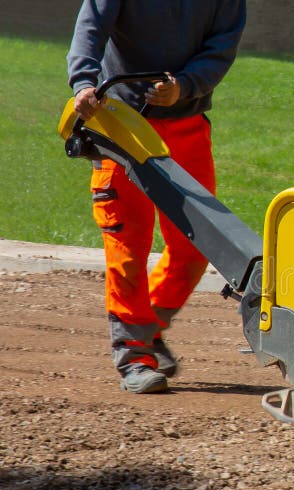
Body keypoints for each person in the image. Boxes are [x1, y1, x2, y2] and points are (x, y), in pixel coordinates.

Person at [66, 1, 247, 394]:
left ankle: (148, 330)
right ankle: (134, 354)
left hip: (187, 124)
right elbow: (91, 28)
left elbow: (221, 46)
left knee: (198, 245)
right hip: (121, 124)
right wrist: (83, 83)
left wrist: (185, 85)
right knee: (127, 244)